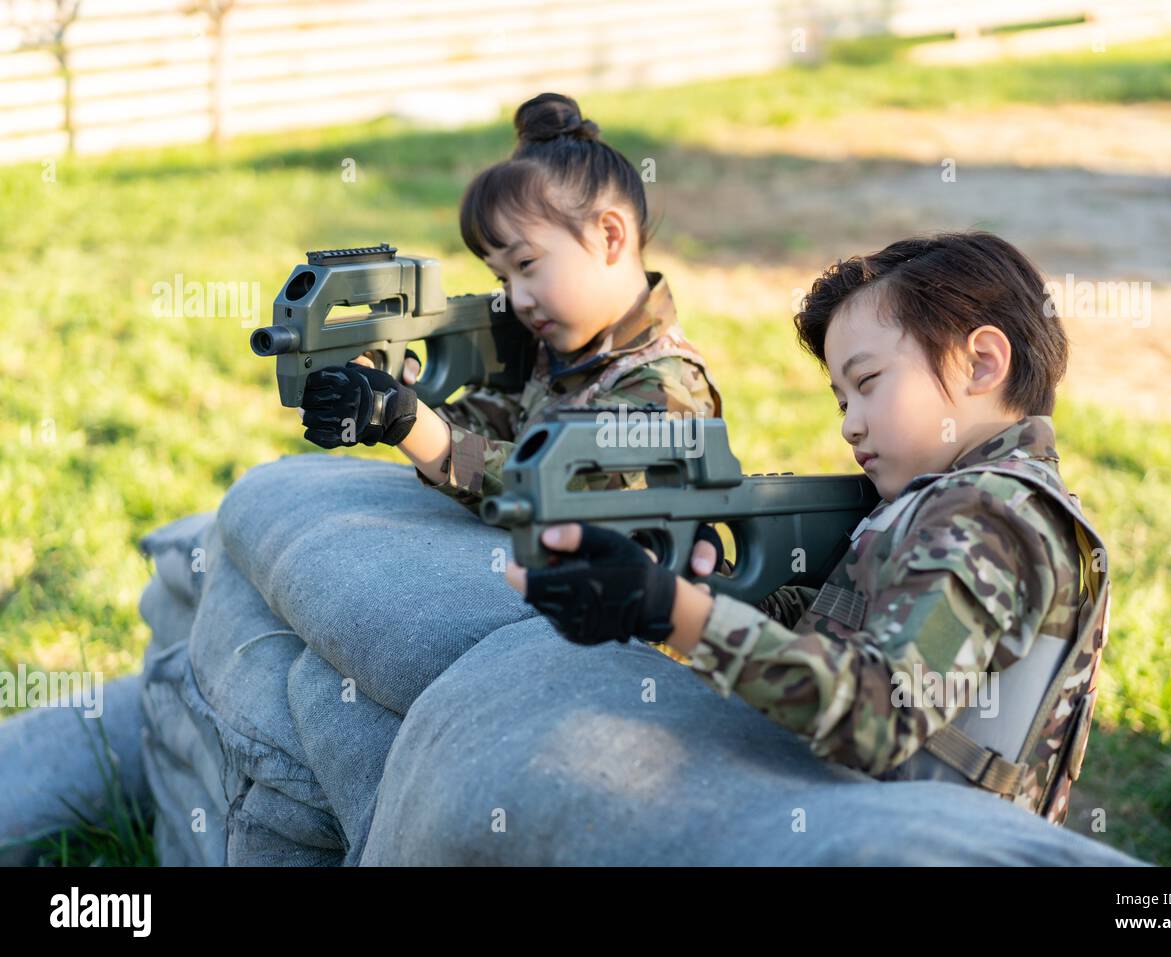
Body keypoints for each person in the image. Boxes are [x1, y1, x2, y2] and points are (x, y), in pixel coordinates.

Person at [506, 232, 1112, 826]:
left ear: (982, 363)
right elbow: (851, 627)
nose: (850, 426)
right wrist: (714, 590)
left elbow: (880, 714)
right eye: (841, 400)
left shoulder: (987, 515)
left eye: (868, 382)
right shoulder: (986, 499)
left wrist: (672, 611)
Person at [294, 91, 723, 518]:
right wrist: (394, 395)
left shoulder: (669, 389)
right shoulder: (556, 349)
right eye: (503, 277)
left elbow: (561, 490)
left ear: (610, 235)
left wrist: (407, 422)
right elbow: (494, 426)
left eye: (527, 264)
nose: (515, 298)